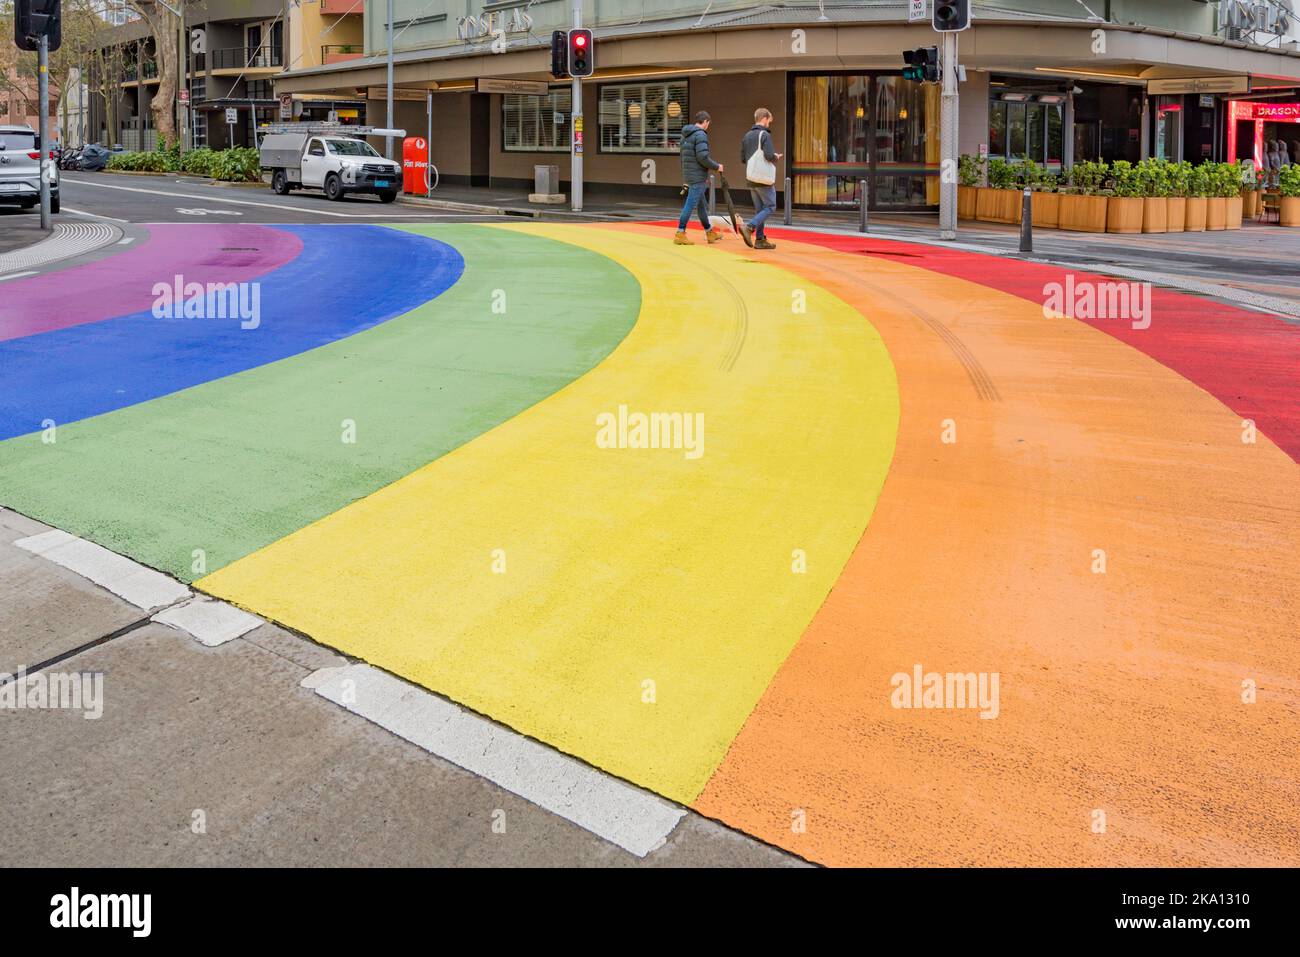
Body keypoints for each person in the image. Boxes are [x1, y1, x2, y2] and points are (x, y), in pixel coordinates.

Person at [675, 111, 724, 245]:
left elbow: (682, 158)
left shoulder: (685, 135)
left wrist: (686, 175)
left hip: (690, 174)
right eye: (709, 123)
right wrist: (716, 166)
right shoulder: (700, 134)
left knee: (701, 205)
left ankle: (709, 232)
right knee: (690, 204)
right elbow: (702, 157)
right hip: (698, 176)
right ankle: (680, 232)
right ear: (706, 122)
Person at [740, 107, 783, 250]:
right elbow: (769, 156)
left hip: (751, 177)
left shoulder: (746, 136)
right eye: (769, 121)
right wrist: (775, 157)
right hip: (762, 179)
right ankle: (749, 227)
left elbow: (742, 158)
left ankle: (760, 239)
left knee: (760, 210)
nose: (769, 124)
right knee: (770, 206)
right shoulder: (764, 135)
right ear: (764, 119)